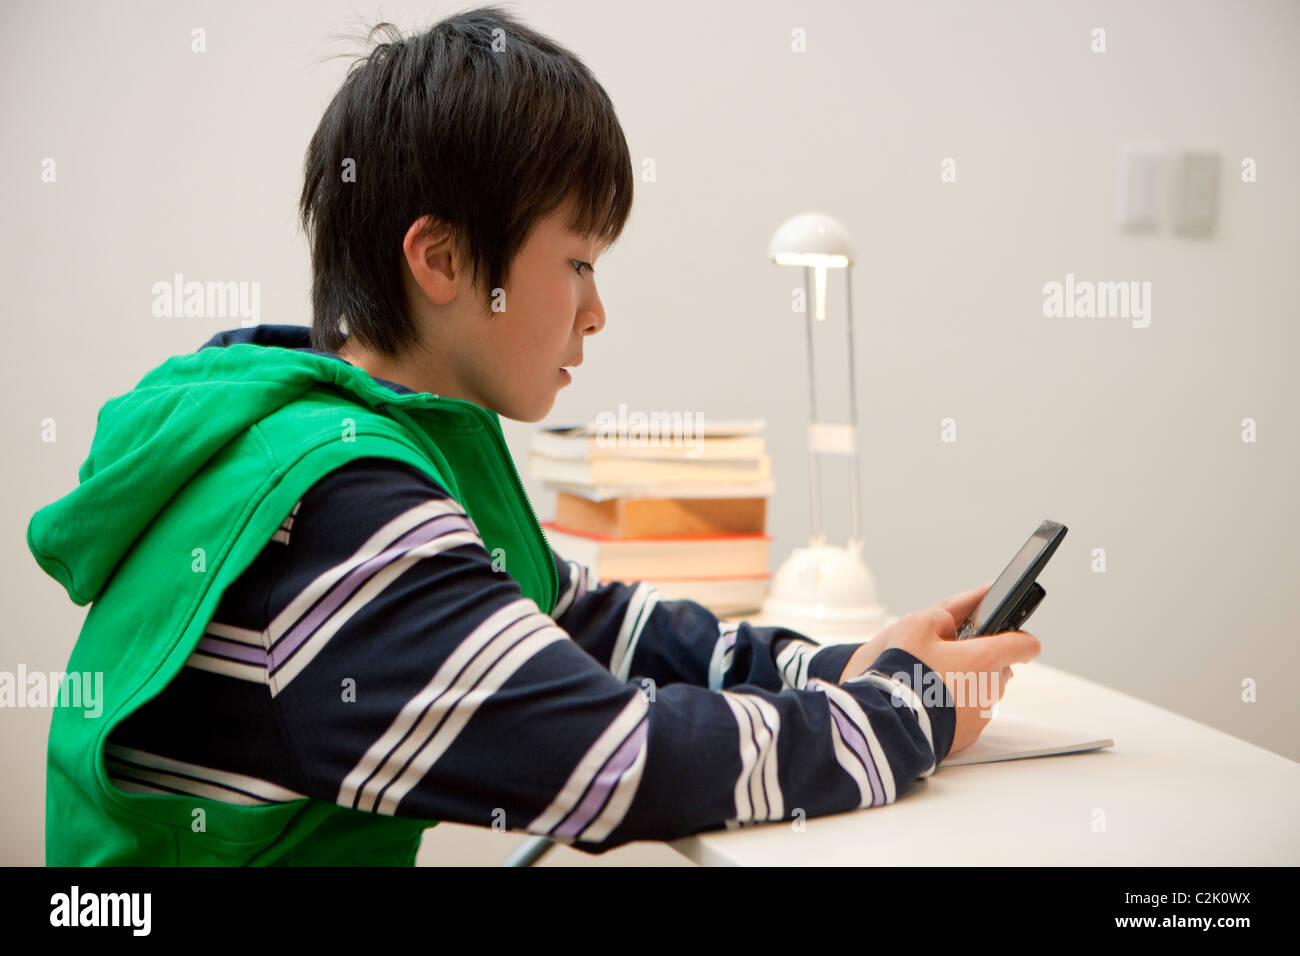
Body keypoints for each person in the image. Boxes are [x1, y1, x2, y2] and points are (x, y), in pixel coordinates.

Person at [26, 5, 1040, 866]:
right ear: (445, 258)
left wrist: (841, 663)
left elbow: (585, 619)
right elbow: (616, 762)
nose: (596, 312)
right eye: (580, 261)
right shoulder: (336, 516)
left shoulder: (324, 439)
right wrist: (910, 710)